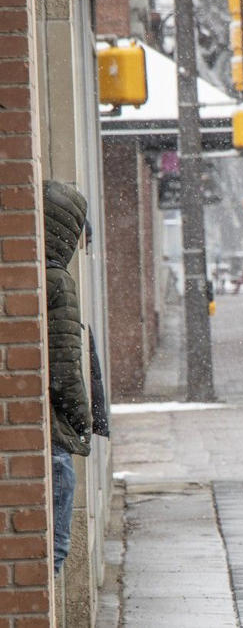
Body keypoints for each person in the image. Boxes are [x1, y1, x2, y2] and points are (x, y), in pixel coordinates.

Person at [43, 180, 92, 575]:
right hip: (51, 430)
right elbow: (64, 366)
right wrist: (82, 419)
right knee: (54, 552)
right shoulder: (56, 281)